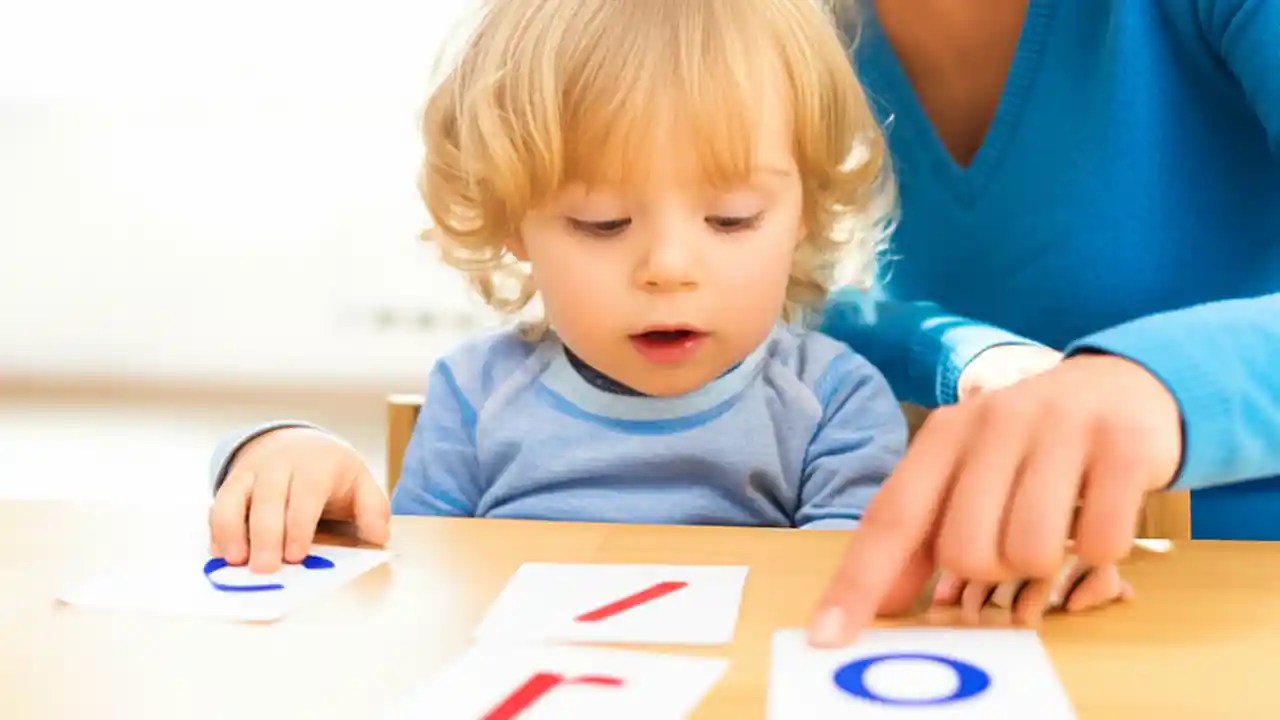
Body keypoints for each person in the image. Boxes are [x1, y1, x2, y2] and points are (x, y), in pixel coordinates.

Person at [206, 0, 911, 580]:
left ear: (805, 213)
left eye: (732, 218)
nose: (668, 267)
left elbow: (835, 605)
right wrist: (283, 454)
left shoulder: (836, 409)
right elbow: (410, 595)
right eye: (601, 223)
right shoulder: (477, 398)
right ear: (514, 221)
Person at [808, 0, 1280, 647]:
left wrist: (1159, 385)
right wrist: (952, 352)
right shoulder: (773, 21)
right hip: (980, 608)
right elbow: (770, 291)